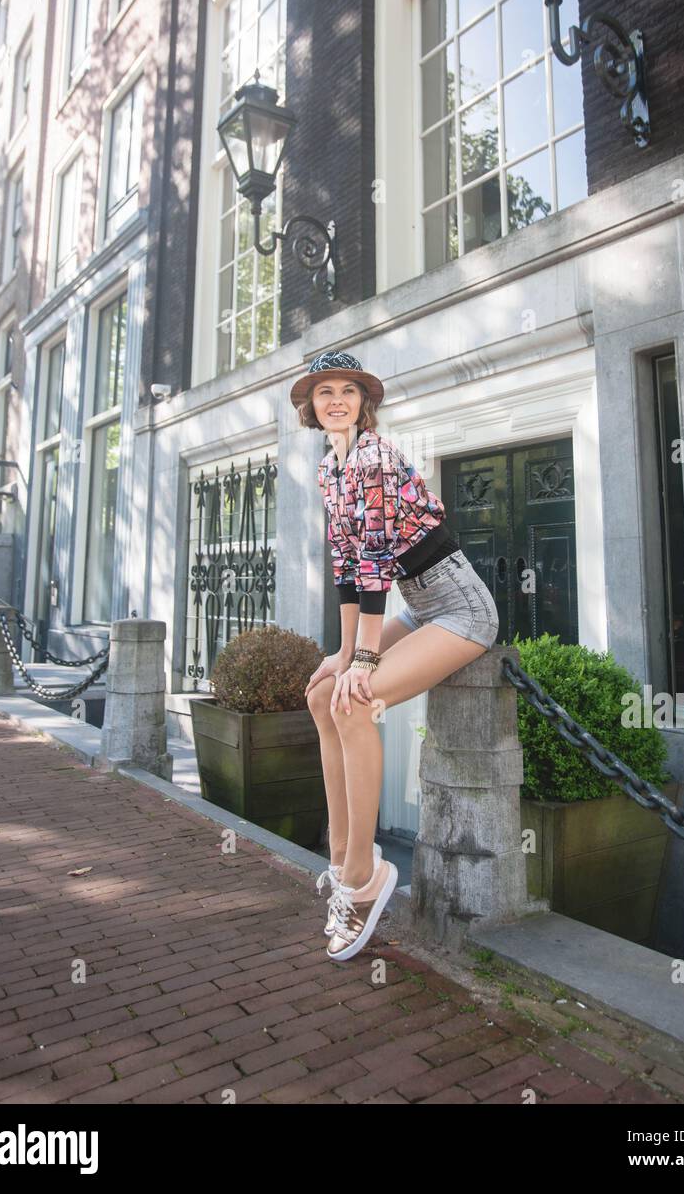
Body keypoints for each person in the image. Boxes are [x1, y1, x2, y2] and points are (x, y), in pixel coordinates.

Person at [290, 349, 499, 961]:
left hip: (460, 607)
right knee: (321, 693)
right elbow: (348, 568)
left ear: (363, 402)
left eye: (347, 391)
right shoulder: (332, 470)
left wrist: (365, 661)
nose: (335, 400)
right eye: (323, 392)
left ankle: (364, 875)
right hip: (415, 605)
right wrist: (344, 651)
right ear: (311, 407)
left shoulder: (375, 457)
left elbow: (379, 559)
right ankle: (338, 857)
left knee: (356, 702)